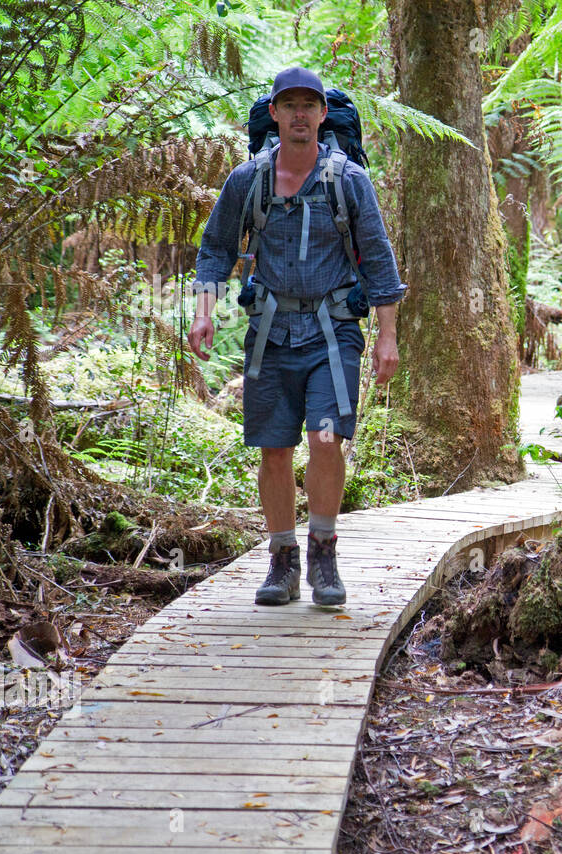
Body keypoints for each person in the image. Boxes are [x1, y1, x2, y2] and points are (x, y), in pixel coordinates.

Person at [189, 66, 405, 606]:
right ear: (276, 114)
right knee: (274, 449)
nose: (301, 114)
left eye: (310, 105)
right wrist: (204, 310)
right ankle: (282, 561)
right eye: (291, 105)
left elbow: (378, 259)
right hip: (270, 330)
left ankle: (324, 553)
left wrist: (387, 337)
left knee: (327, 438)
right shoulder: (248, 180)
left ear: (323, 114)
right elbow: (216, 247)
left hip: (333, 332)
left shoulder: (348, 180)